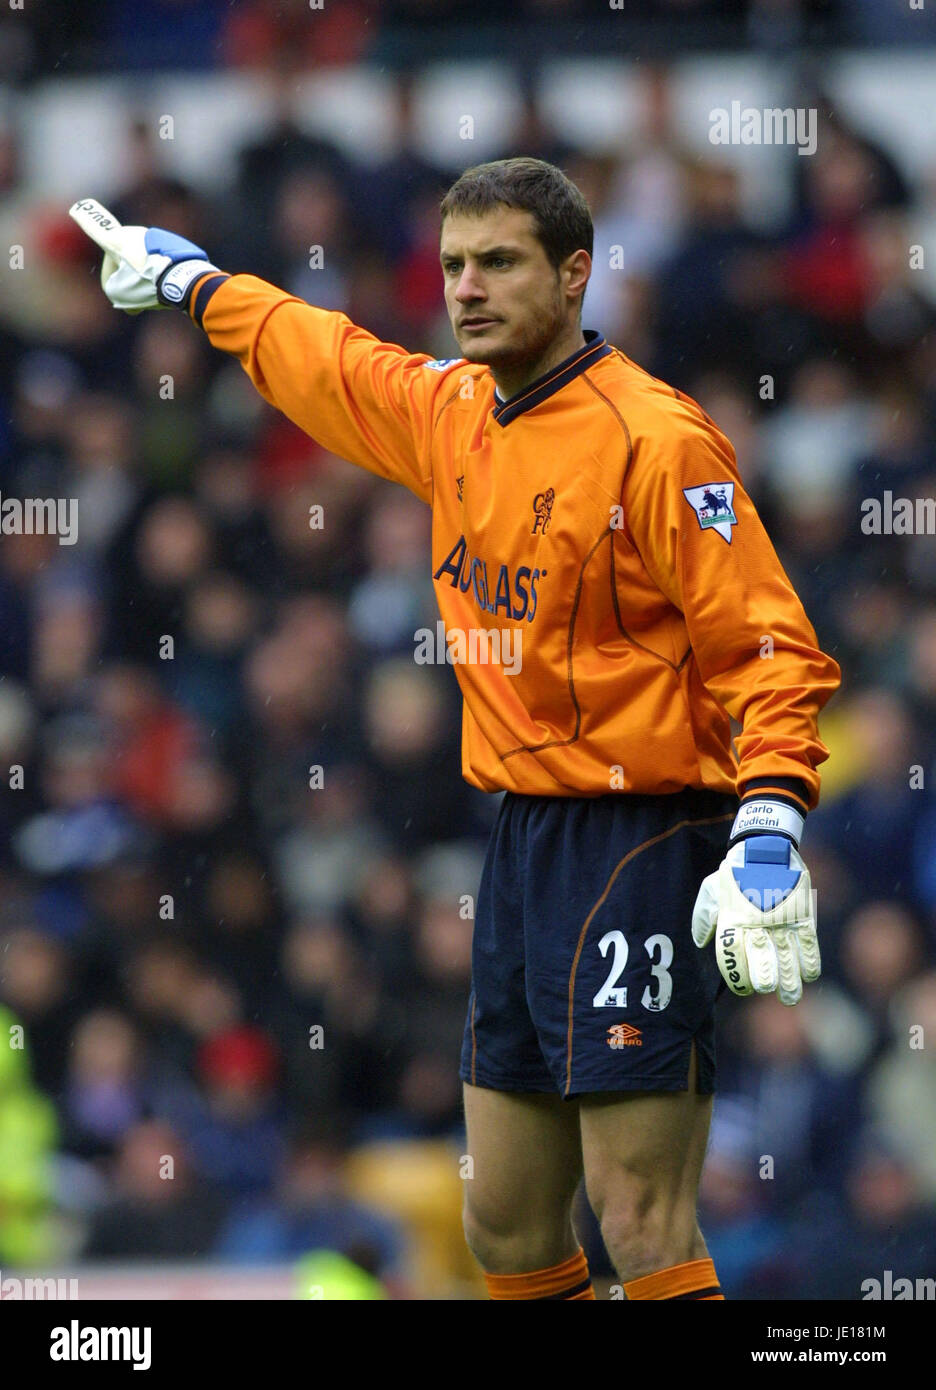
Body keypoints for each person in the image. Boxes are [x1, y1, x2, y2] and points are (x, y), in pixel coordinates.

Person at [70, 156, 840, 1300]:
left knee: (639, 1215)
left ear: (575, 275)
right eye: (453, 267)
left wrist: (769, 818)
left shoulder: (659, 442)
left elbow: (767, 640)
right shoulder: (453, 411)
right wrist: (198, 284)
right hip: (523, 843)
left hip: (639, 835)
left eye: (499, 263)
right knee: (508, 1225)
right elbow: (326, 357)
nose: (467, 289)